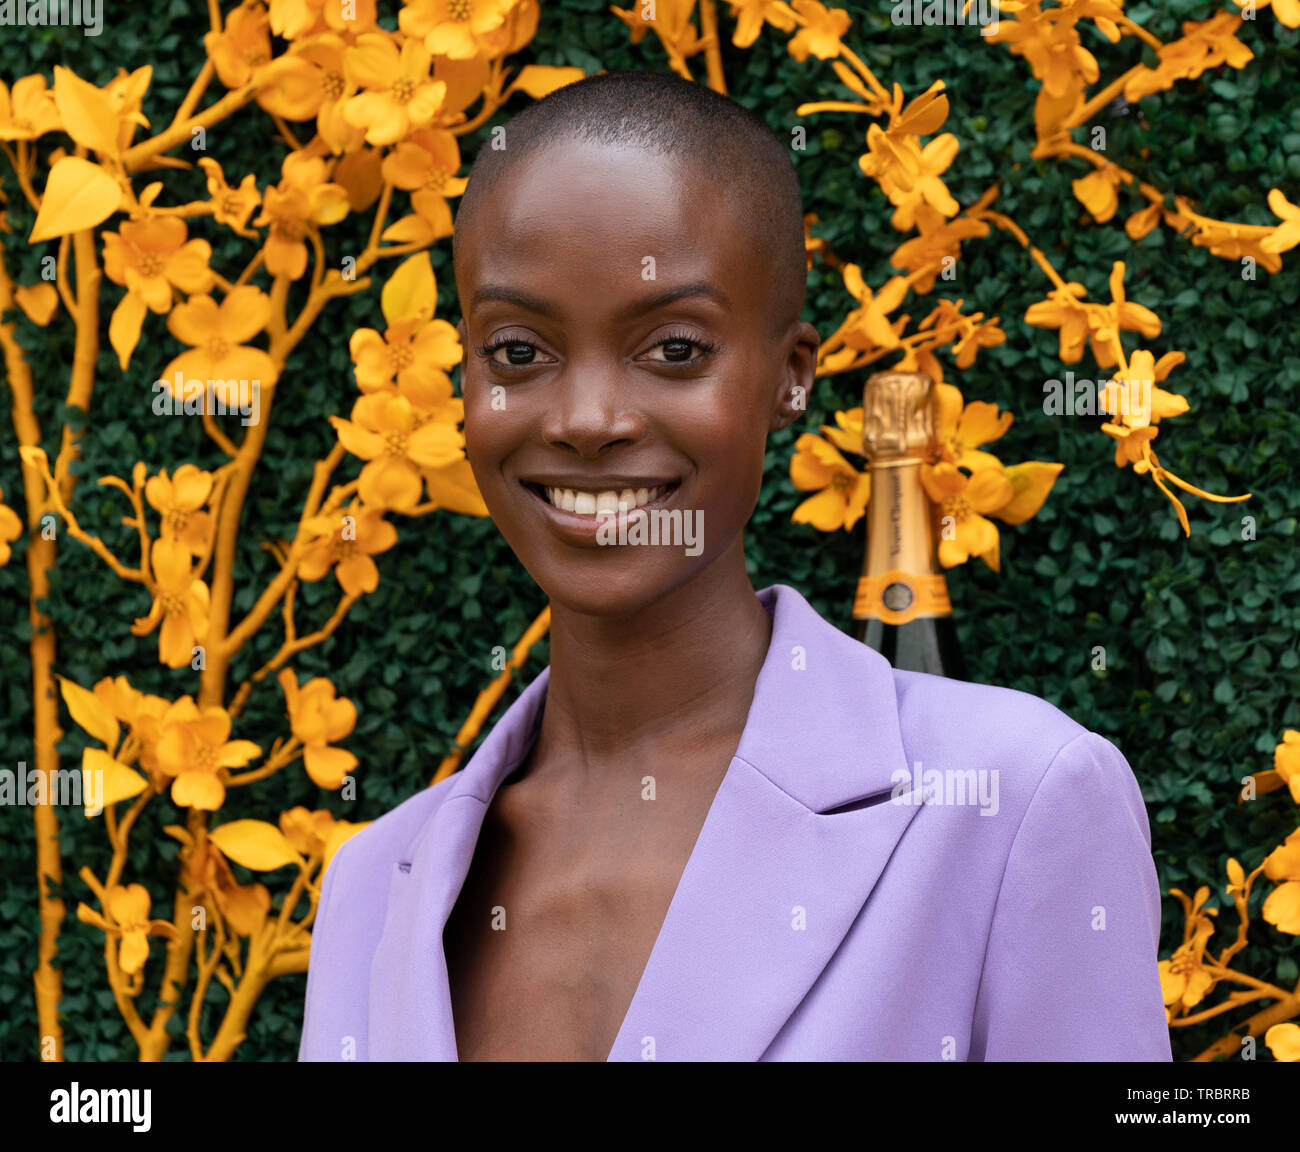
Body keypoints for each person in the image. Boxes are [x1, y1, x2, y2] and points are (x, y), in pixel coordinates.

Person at [298, 69, 1171, 1062]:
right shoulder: (372, 892)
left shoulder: (1014, 803)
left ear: (790, 376)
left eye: (672, 349)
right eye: (517, 351)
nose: (587, 420)